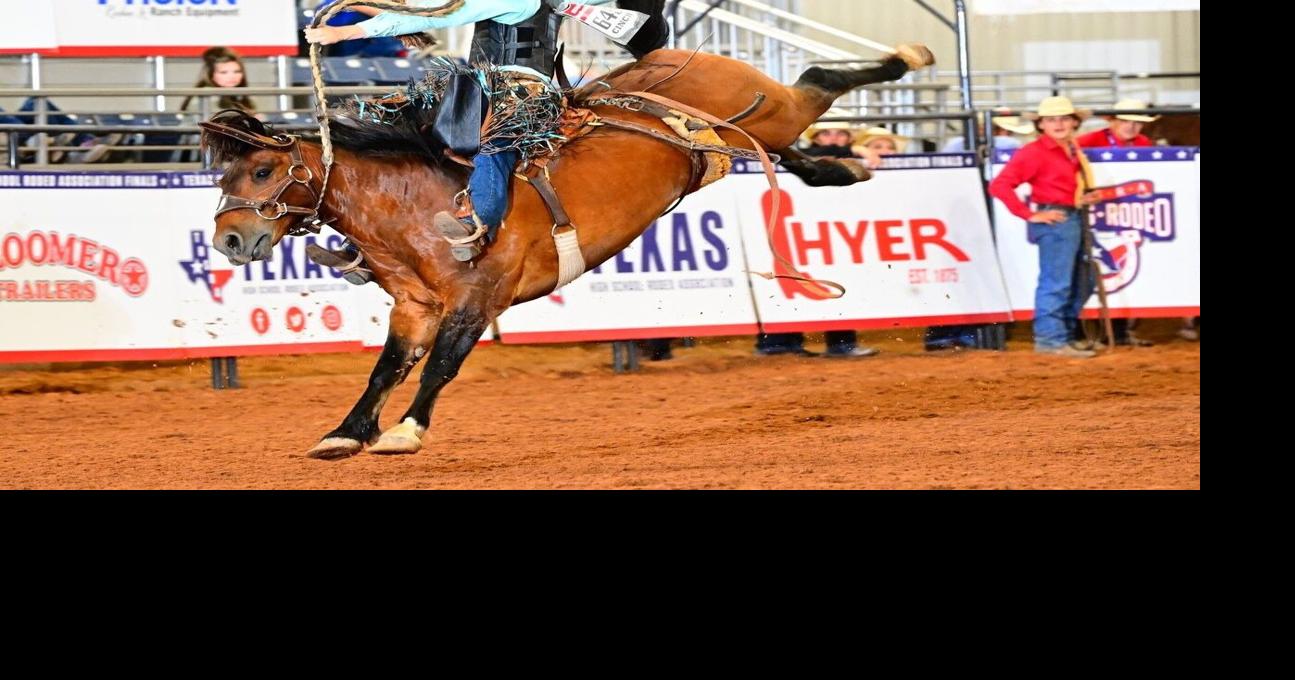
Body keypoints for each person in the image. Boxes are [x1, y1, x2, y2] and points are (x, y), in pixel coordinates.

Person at [304, 1, 670, 281]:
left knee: (495, 144)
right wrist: (367, 7)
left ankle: (478, 223)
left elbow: (436, 17)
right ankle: (366, 249)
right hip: (480, 90)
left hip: (518, 93)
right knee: (398, 141)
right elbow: (433, 10)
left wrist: (345, 33)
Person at [755, 121, 882, 358]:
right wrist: (855, 151)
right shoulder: (804, 156)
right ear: (816, 138)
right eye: (826, 133)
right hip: (797, 229)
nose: (833, 138)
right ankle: (782, 343)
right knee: (785, 284)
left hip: (824, 231)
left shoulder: (796, 155)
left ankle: (827, 343)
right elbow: (811, 159)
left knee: (823, 278)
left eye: (840, 134)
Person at [989, 96, 1101, 358]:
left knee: (1082, 278)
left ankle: (1060, 334)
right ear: (1041, 125)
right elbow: (1000, 185)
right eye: (1052, 119)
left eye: (1064, 118)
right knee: (1058, 281)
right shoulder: (1034, 152)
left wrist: (1080, 198)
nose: (1058, 124)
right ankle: (1051, 340)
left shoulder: (1070, 149)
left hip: (1070, 215)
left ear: (1074, 122)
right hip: (1058, 220)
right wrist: (1029, 214)